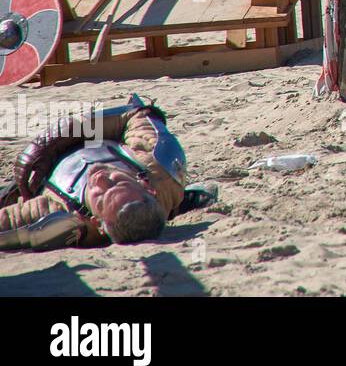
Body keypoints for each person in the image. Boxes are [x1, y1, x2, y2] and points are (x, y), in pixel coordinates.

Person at [0, 95, 206, 251]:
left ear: (96, 222)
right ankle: (177, 205)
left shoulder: (57, 215)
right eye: (117, 182)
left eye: (99, 197)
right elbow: (137, 113)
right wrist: (55, 140)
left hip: (32, 182)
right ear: (147, 187)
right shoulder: (159, 163)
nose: (100, 178)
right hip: (87, 139)